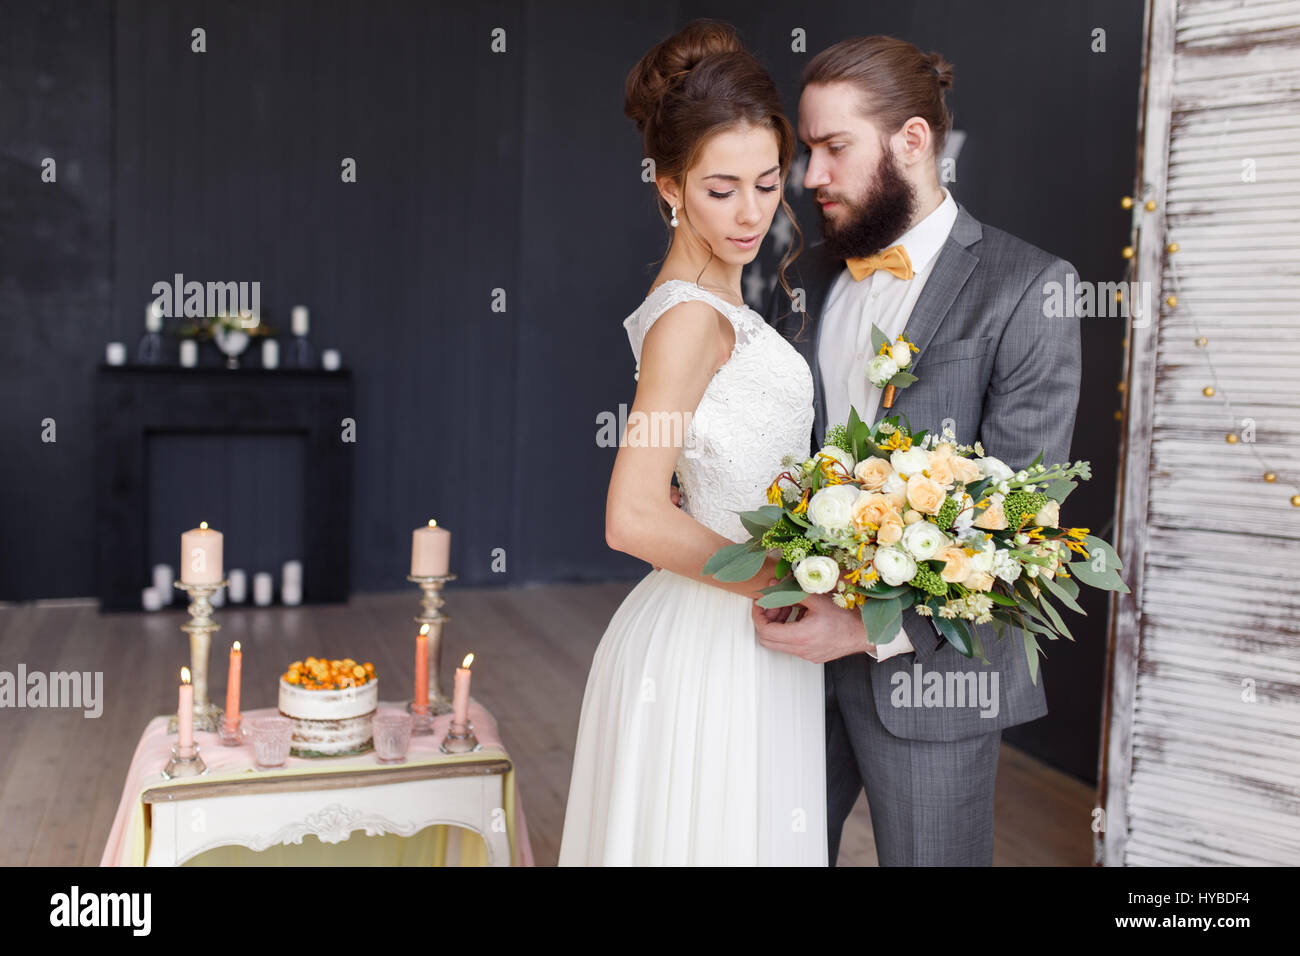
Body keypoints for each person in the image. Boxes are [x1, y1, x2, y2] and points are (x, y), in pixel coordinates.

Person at [750, 35, 1083, 866]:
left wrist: (866, 627)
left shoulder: (1028, 286)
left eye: (833, 148)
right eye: (808, 152)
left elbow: (1024, 521)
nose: (811, 176)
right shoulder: (814, 277)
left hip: (934, 676)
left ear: (911, 141)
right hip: (785, 664)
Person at [557, 19, 826, 865]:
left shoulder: (717, 304)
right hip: (715, 645)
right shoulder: (688, 323)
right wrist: (784, 579)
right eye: (720, 190)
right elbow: (633, 516)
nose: (752, 213)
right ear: (669, 187)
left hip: (742, 628)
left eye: (767, 181)